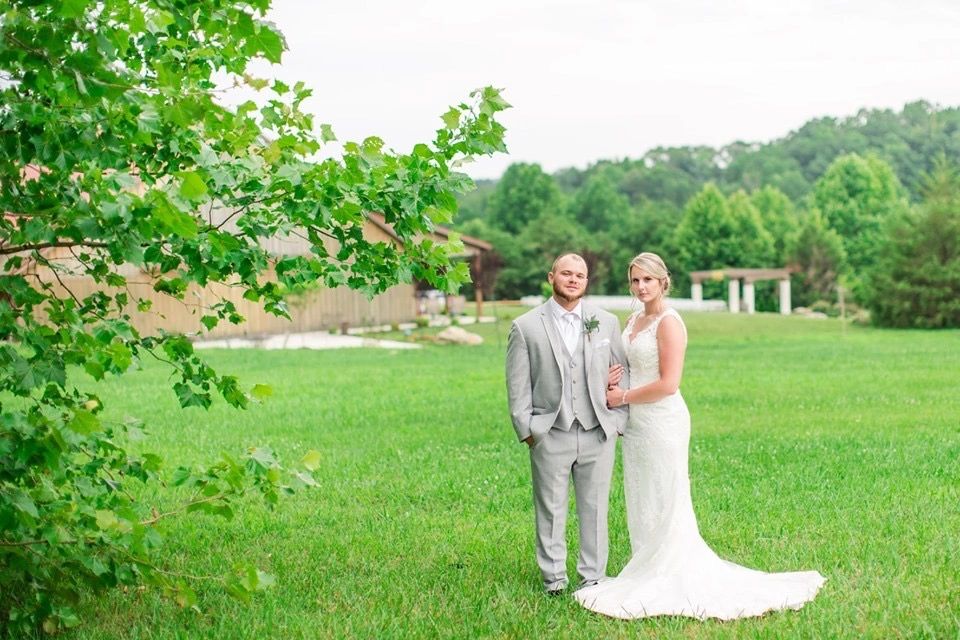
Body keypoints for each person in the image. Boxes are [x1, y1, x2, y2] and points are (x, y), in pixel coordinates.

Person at [574, 252, 825, 619]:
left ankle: (669, 570)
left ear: (664, 282)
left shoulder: (669, 323)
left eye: (648, 280)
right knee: (643, 494)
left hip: (662, 420)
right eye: (635, 280)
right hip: (637, 423)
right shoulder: (633, 320)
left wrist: (622, 397)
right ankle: (645, 564)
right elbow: (630, 366)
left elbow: (669, 383)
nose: (641, 287)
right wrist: (613, 379)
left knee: (666, 493)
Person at [505, 253, 629, 595]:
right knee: (551, 508)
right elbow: (517, 385)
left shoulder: (605, 322)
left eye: (580, 275)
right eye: (566, 273)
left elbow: (623, 372)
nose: (573, 279)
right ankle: (554, 580)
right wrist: (528, 431)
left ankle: (593, 577)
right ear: (551, 277)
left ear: (586, 282)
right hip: (550, 432)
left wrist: (617, 422)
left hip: (597, 431)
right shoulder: (526, 326)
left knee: (595, 508)